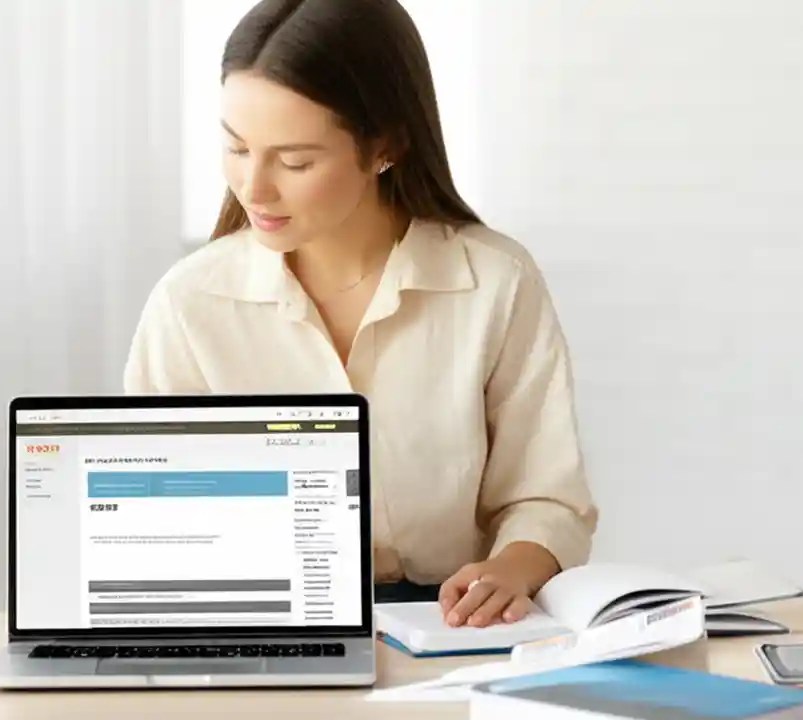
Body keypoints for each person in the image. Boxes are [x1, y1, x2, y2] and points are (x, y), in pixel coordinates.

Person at [123, 0, 598, 629]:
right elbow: (154, 515)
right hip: (259, 621)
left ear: (385, 146)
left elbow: (546, 495)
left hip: (451, 624)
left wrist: (511, 568)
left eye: (295, 161)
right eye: (237, 148)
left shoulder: (495, 283)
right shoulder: (190, 302)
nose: (255, 187)